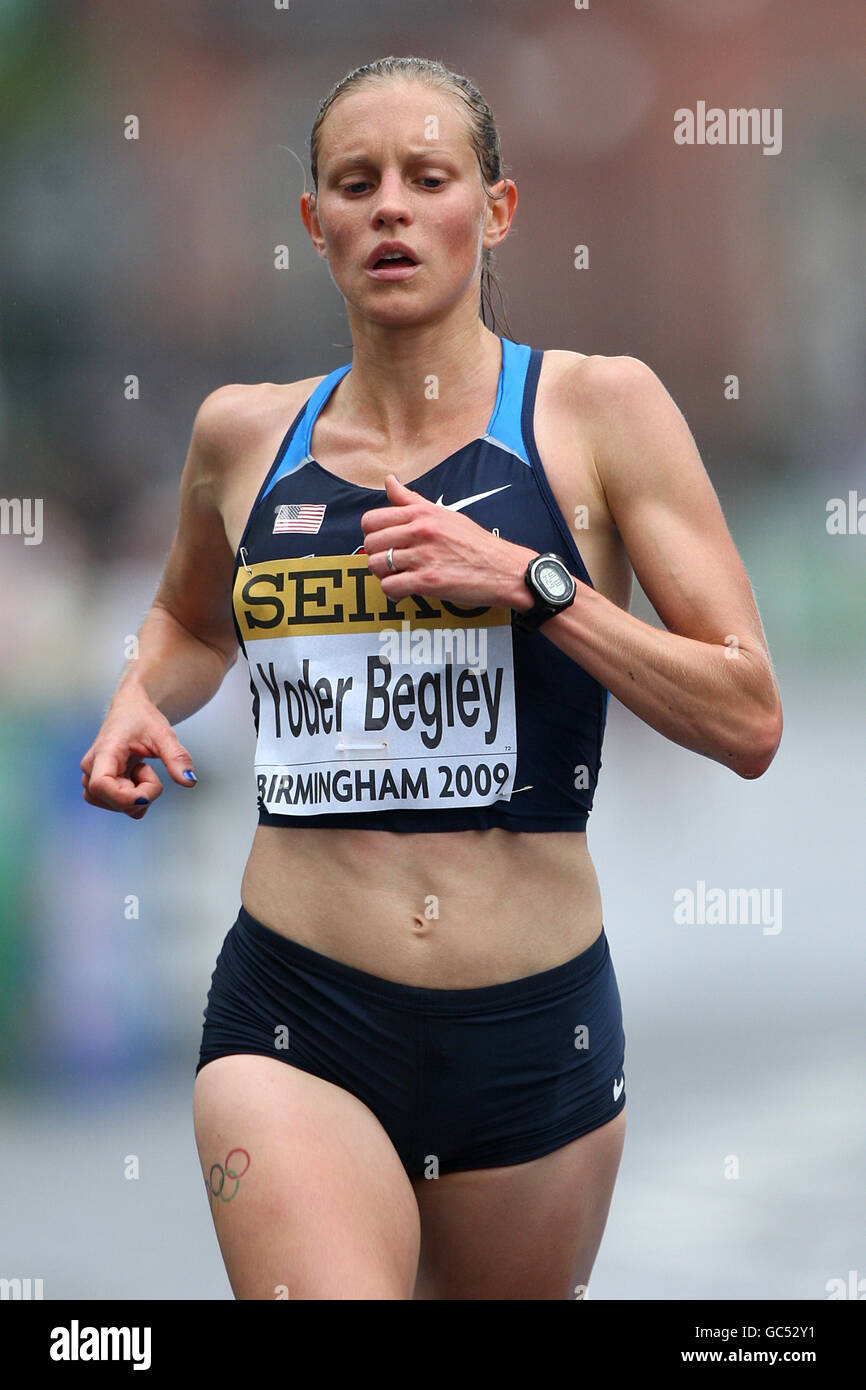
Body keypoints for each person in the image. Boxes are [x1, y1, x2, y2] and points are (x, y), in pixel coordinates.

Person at [80, 55, 783, 1300]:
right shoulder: (244, 435)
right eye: (355, 185)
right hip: (294, 1013)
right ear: (316, 224)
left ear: (494, 210)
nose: (389, 208)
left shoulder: (599, 413)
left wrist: (534, 582)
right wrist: (141, 691)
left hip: (531, 1027)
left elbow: (744, 714)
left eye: (426, 177)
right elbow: (189, 624)